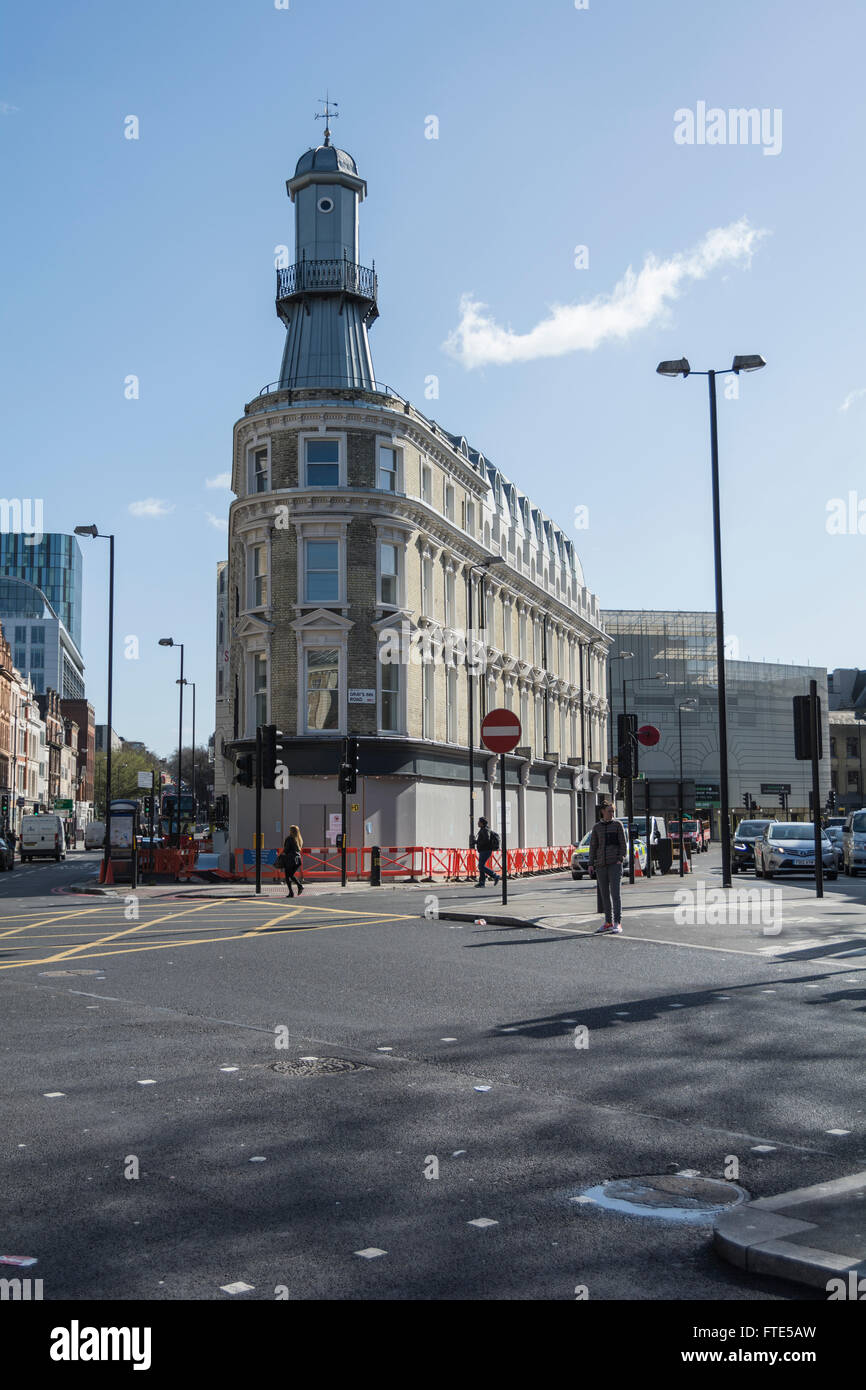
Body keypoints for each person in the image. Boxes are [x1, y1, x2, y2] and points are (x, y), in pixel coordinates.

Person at [589, 802, 626, 934]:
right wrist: (591, 863)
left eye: (613, 811)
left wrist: (620, 858)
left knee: (615, 894)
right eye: (609, 811)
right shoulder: (597, 827)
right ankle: (608, 922)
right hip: (600, 865)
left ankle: (617, 922)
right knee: (604, 895)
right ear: (603, 811)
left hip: (614, 864)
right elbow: (593, 846)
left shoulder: (617, 825)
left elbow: (623, 843)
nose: (612, 814)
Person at [475, 816, 500, 887]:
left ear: (482, 823)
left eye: (479, 822)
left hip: (485, 850)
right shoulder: (483, 829)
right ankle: (482, 882)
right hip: (483, 850)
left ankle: (495, 876)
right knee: (481, 866)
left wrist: (477, 842)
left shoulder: (485, 830)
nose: (478, 823)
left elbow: (486, 840)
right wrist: (476, 842)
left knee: (481, 866)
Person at [283, 824, 304, 896]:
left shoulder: (289, 838)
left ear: (291, 831)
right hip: (298, 860)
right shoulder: (299, 839)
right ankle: (299, 886)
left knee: (287, 876)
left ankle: (292, 892)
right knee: (291, 875)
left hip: (290, 860)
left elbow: (286, 850)